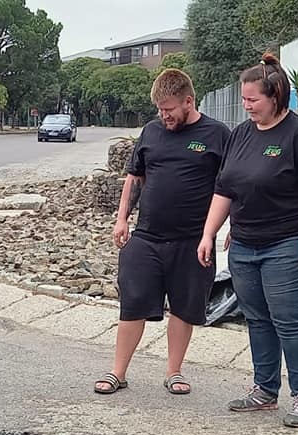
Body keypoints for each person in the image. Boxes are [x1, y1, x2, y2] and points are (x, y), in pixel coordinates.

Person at [197, 53, 298, 428]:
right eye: (244, 99)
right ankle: (265, 390)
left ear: (276, 96)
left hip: (289, 244)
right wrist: (211, 232)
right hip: (244, 244)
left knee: (291, 320)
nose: (246, 106)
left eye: (253, 100)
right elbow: (224, 189)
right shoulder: (241, 134)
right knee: (257, 319)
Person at [93, 68, 230, 396]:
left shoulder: (217, 134)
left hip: (193, 241)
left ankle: (174, 371)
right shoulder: (151, 132)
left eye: (169, 109)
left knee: (184, 307)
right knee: (133, 301)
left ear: (188, 101)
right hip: (147, 236)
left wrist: (227, 226)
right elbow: (134, 177)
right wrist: (122, 218)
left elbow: (229, 186)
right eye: (159, 109)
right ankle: (118, 371)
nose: (163, 115)